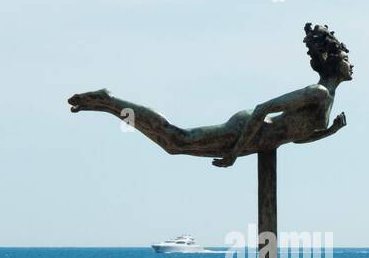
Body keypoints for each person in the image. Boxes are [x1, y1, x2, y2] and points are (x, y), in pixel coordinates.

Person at [67, 23, 351, 167]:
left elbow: (296, 136)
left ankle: (108, 104)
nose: (352, 65)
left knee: (173, 146)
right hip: (247, 132)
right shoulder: (318, 93)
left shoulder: (327, 102)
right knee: (176, 138)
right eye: (348, 59)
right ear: (335, 61)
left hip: (254, 142)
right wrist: (237, 153)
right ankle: (108, 101)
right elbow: (263, 109)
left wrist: (331, 132)